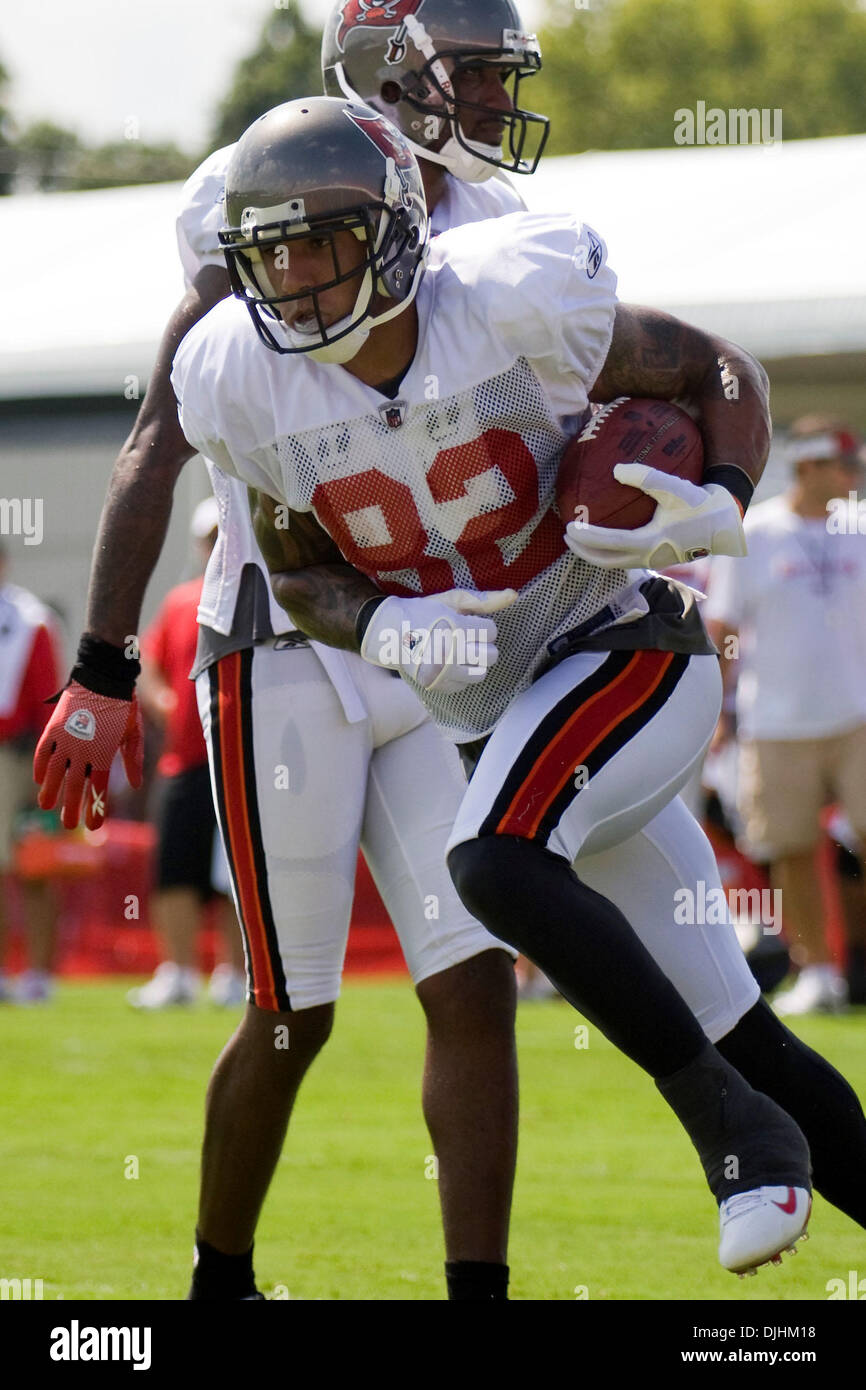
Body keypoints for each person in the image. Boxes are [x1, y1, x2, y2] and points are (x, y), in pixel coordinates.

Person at [171, 94, 866, 1276]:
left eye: (320, 242)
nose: (291, 279)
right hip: (506, 706)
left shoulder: (501, 297)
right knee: (738, 1024)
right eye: (269, 251)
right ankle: (748, 1100)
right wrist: (388, 624)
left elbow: (716, 368)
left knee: (489, 861)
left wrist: (726, 496)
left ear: (394, 231)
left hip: (620, 648)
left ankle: (732, 1139)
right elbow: (296, 569)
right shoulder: (240, 377)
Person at [34, 0, 551, 1302]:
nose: (495, 98)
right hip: (283, 640)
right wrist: (101, 668)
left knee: (470, 980)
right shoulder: (276, 180)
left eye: (500, 74)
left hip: (429, 640)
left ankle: (475, 1290)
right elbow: (166, 422)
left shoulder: (501, 231)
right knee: (289, 1005)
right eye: (473, 71)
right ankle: (218, 1279)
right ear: (393, 68)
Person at [705, 417, 866, 1016]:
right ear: (808, 467)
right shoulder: (756, 531)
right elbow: (721, 628)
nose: (852, 477)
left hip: (859, 714)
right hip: (774, 720)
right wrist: (714, 710)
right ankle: (818, 972)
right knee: (789, 849)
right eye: (842, 466)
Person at [131, 497, 245, 1009]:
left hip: (242, 756)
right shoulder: (180, 601)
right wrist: (159, 699)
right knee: (175, 867)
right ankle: (177, 972)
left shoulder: (257, 595)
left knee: (236, 874)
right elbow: (148, 661)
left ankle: (234, 974)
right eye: (210, 537)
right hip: (185, 758)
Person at [0, 542, 63, 1003]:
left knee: (35, 866)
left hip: (19, 757)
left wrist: (46, 764)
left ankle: (37, 974)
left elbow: (47, 694)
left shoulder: (29, 617)